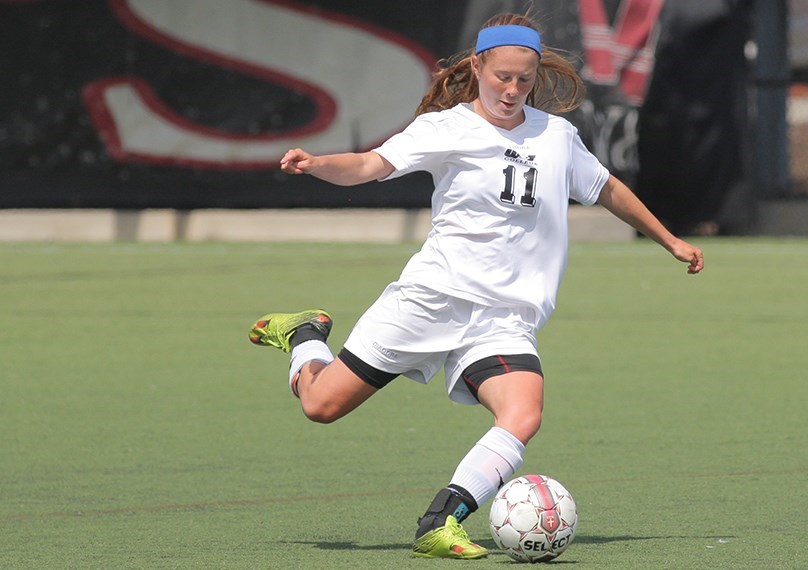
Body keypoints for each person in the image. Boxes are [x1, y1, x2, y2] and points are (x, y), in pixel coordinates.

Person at [249, 13, 704, 560]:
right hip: (431, 300)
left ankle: (441, 521)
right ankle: (304, 336)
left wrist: (669, 240)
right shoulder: (446, 128)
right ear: (476, 66)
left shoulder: (557, 136)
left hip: (505, 316)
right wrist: (318, 162)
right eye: (502, 77)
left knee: (523, 414)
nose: (512, 90)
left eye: (524, 79)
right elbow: (370, 164)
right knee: (321, 406)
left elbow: (606, 188)